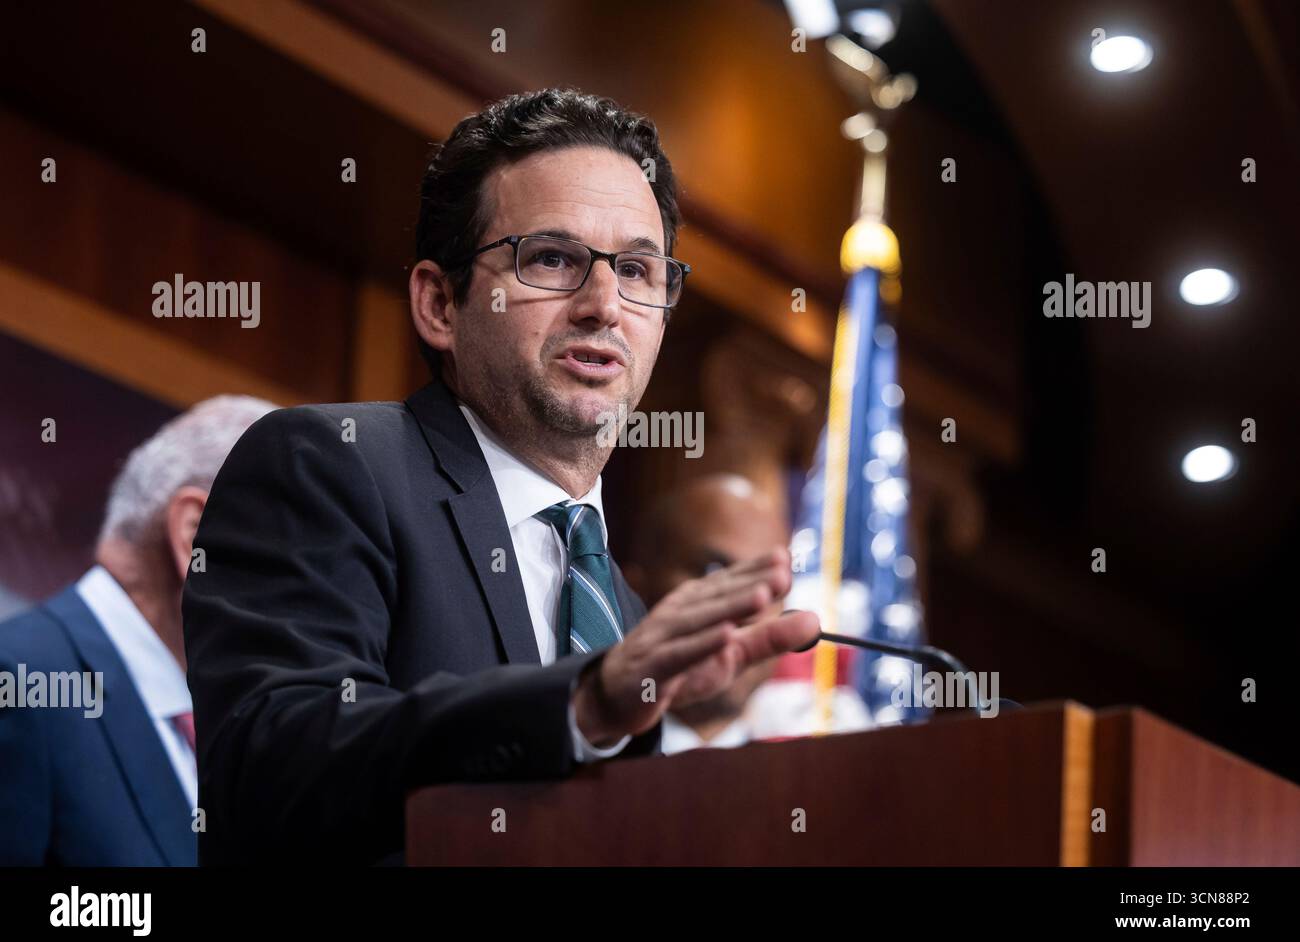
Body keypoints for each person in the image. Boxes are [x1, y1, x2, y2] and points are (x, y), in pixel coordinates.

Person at [181, 88, 821, 864]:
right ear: (441, 303)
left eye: (637, 270)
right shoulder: (331, 465)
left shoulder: (620, 607)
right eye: (551, 258)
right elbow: (267, 770)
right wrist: (577, 704)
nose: (603, 305)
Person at [0, 395, 275, 865]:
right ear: (196, 536)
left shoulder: (231, 737)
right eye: (310, 556)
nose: (333, 599)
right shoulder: (23, 683)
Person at [624, 473, 870, 754]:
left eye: (771, 587)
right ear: (636, 591)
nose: (751, 607)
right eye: (713, 571)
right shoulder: (572, 749)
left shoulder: (823, 769)